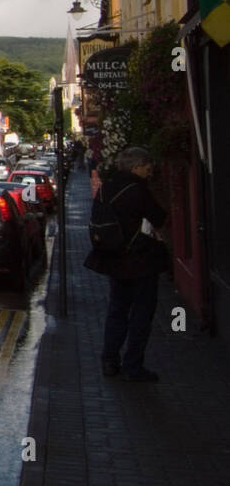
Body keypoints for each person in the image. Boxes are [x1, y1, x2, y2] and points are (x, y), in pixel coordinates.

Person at [84, 145, 169, 382]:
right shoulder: (137, 189)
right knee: (141, 314)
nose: (149, 172)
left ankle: (109, 360)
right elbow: (159, 217)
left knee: (117, 311)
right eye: (147, 168)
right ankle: (134, 366)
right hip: (140, 260)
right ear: (136, 166)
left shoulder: (106, 188)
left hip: (113, 258)